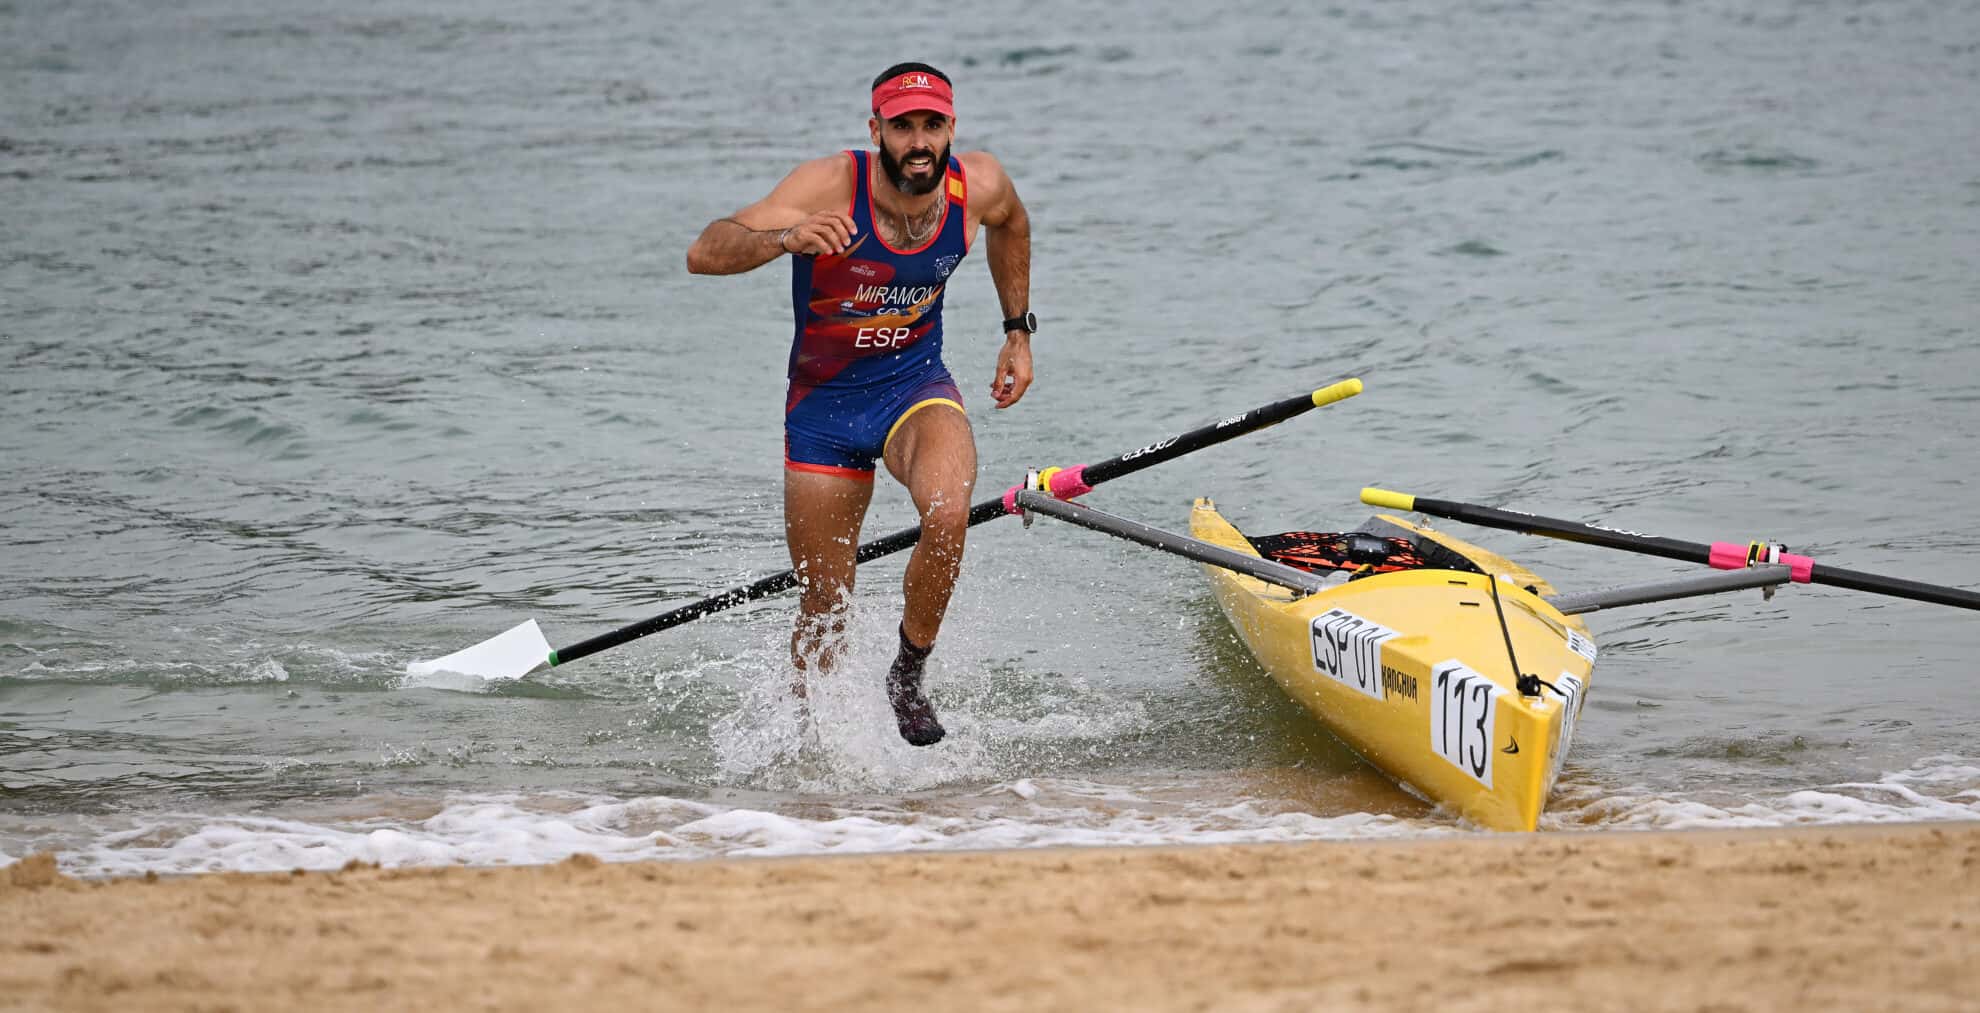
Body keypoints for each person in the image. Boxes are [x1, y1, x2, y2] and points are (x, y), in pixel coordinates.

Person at [685, 62, 1034, 746]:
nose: (919, 142)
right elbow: (704, 251)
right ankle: (804, 746)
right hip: (824, 413)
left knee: (948, 508)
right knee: (825, 604)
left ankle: (907, 672)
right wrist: (783, 240)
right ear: (876, 130)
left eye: (932, 125)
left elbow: (1013, 225)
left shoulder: (979, 185)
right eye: (902, 127)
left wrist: (1017, 330)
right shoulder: (828, 186)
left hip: (915, 391)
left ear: (951, 129)